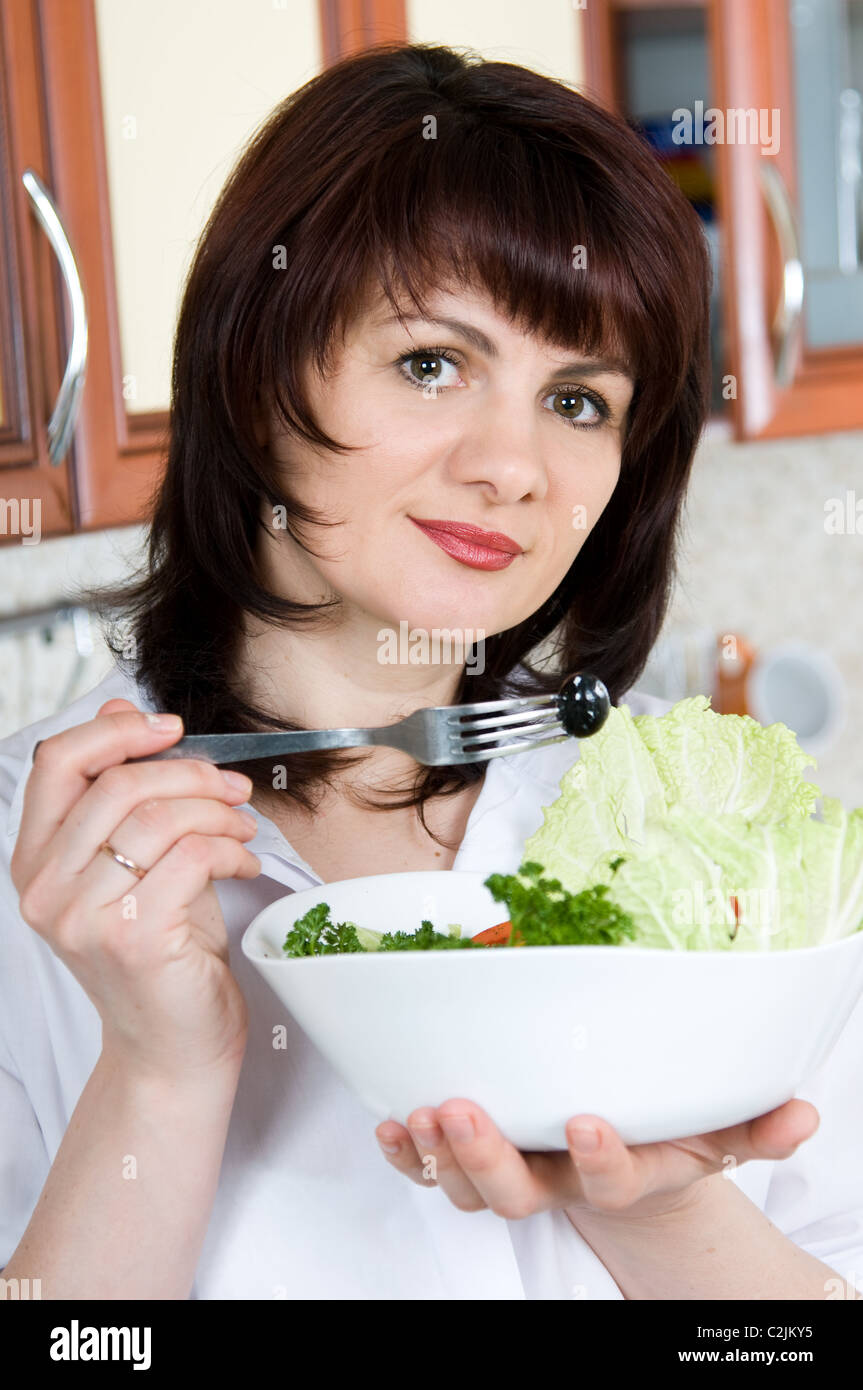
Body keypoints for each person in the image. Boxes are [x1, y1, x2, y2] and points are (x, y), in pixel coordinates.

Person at [1, 42, 861, 1301]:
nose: (512, 467)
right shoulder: (50, 860)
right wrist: (159, 1070)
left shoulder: (694, 834)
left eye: (578, 401)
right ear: (256, 373)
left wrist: (657, 1208)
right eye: (430, 365)